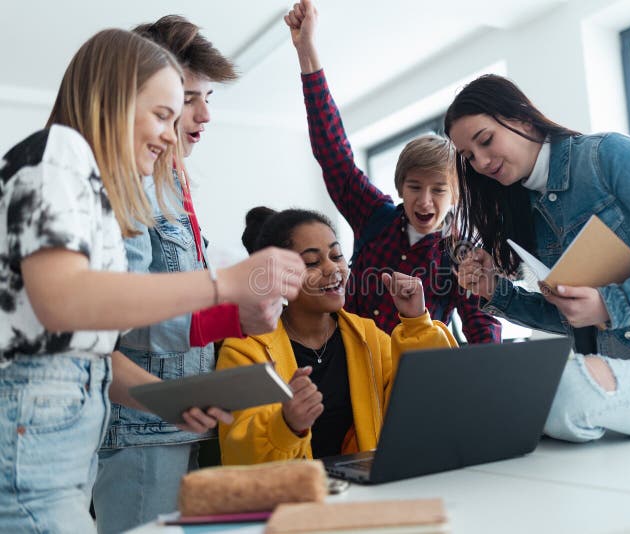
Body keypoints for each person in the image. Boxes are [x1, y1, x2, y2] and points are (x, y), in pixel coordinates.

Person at [0, 29, 303, 533]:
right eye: (163, 114)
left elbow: (85, 347)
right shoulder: (59, 155)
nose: (170, 134)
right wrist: (224, 285)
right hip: (33, 452)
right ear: (113, 101)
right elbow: (64, 301)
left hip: (59, 451)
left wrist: (167, 399)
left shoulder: (87, 191)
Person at [445, 74, 630, 442]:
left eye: (486, 140)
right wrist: (497, 292)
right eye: (469, 156)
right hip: (621, 382)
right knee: (511, 393)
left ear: (521, 117)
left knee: (564, 390)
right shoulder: (527, 211)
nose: (481, 161)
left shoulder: (607, 155)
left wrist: (614, 304)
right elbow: (574, 317)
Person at [92, 16, 268, 533]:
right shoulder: (129, 184)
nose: (204, 114)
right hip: (141, 428)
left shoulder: (171, 182)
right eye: (190, 97)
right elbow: (125, 313)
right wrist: (233, 314)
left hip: (173, 424)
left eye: (206, 97)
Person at [284, 0, 501, 344]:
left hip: (413, 378)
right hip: (350, 367)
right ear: (400, 187)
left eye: (439, 190)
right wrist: (306, 49)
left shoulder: (461, 253)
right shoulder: (375, 216)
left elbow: (482, 326)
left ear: (456, 195)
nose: (425, 200)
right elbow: (333, 152)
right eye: (415, 186)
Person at [217, 207, 458, 464]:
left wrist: (417, 321)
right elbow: (237, 454)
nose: (333, 268)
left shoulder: (368, 337)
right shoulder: (243, 350)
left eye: (337, 255)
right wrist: (286, 425)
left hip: (366, 491)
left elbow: (430, 405)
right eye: (311, 262)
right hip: (292, 498)